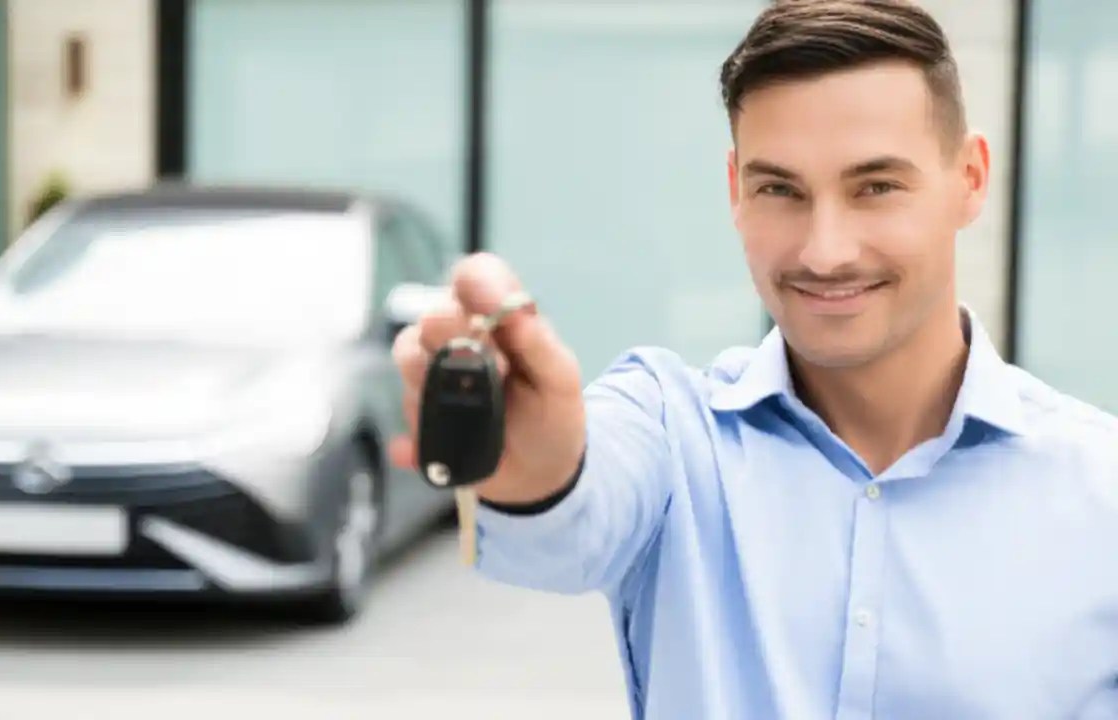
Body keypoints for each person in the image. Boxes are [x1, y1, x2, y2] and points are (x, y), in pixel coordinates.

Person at [391, 0, 1118, 717]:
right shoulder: (669, 432)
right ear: (735, 190)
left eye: (876, 187)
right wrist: (538, 478)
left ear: (971, 179)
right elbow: (566, 528)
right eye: (780, 189)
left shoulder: (1102, 493)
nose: (825, 252)